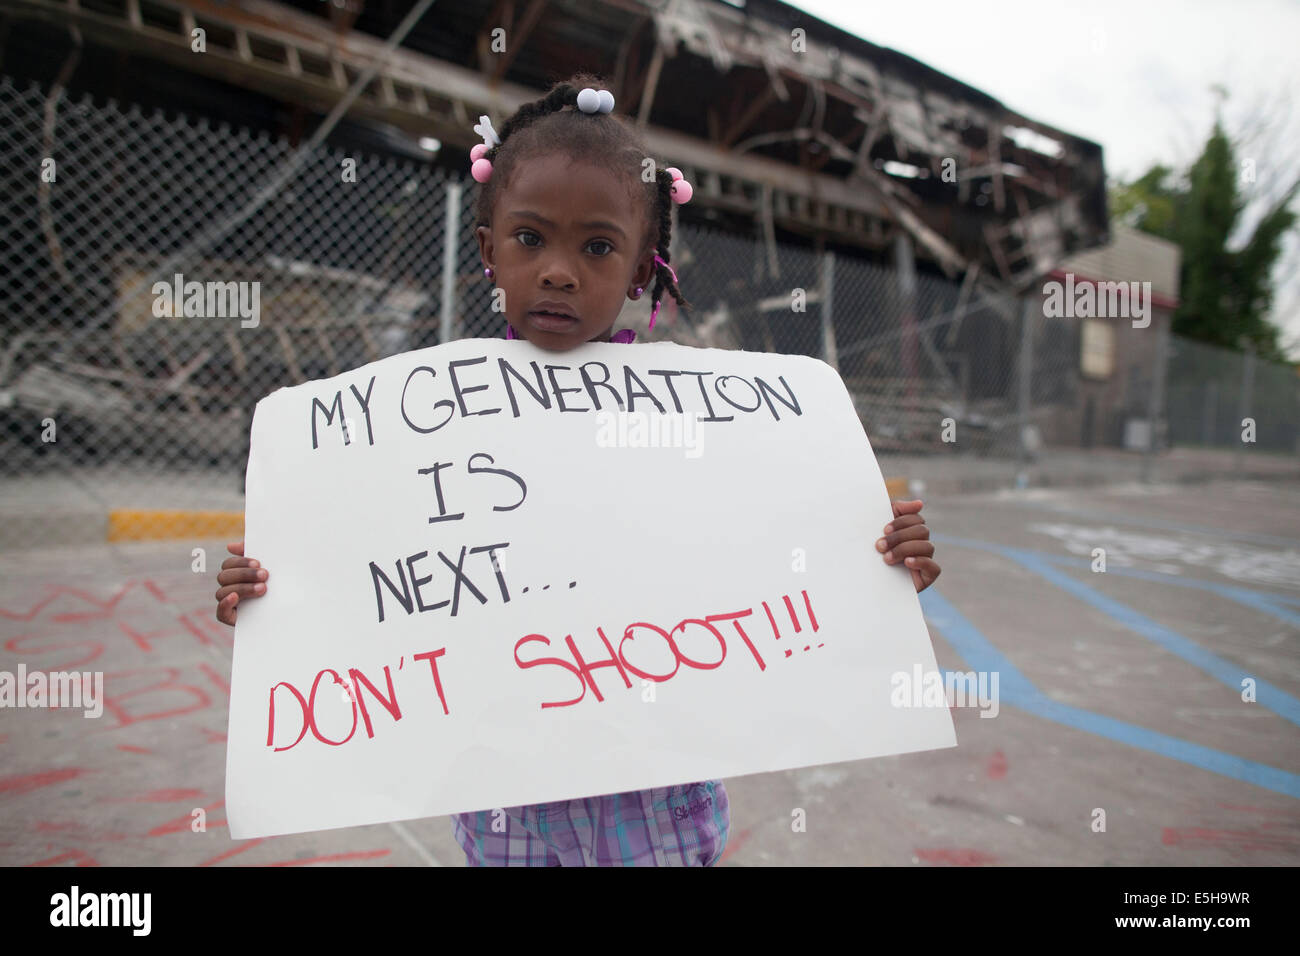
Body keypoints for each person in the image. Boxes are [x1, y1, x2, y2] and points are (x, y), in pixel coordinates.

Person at [215, 74, 942, 866]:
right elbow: (357, 565)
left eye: (597, 246)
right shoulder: (416, 426)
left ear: (640, 270)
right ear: (490, 250)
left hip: (664, 811)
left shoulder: (703, 424)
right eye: (531, 239)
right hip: (509, 821)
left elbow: (770, 548)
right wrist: (272, 600)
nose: (560, 271)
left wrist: (873, 566)